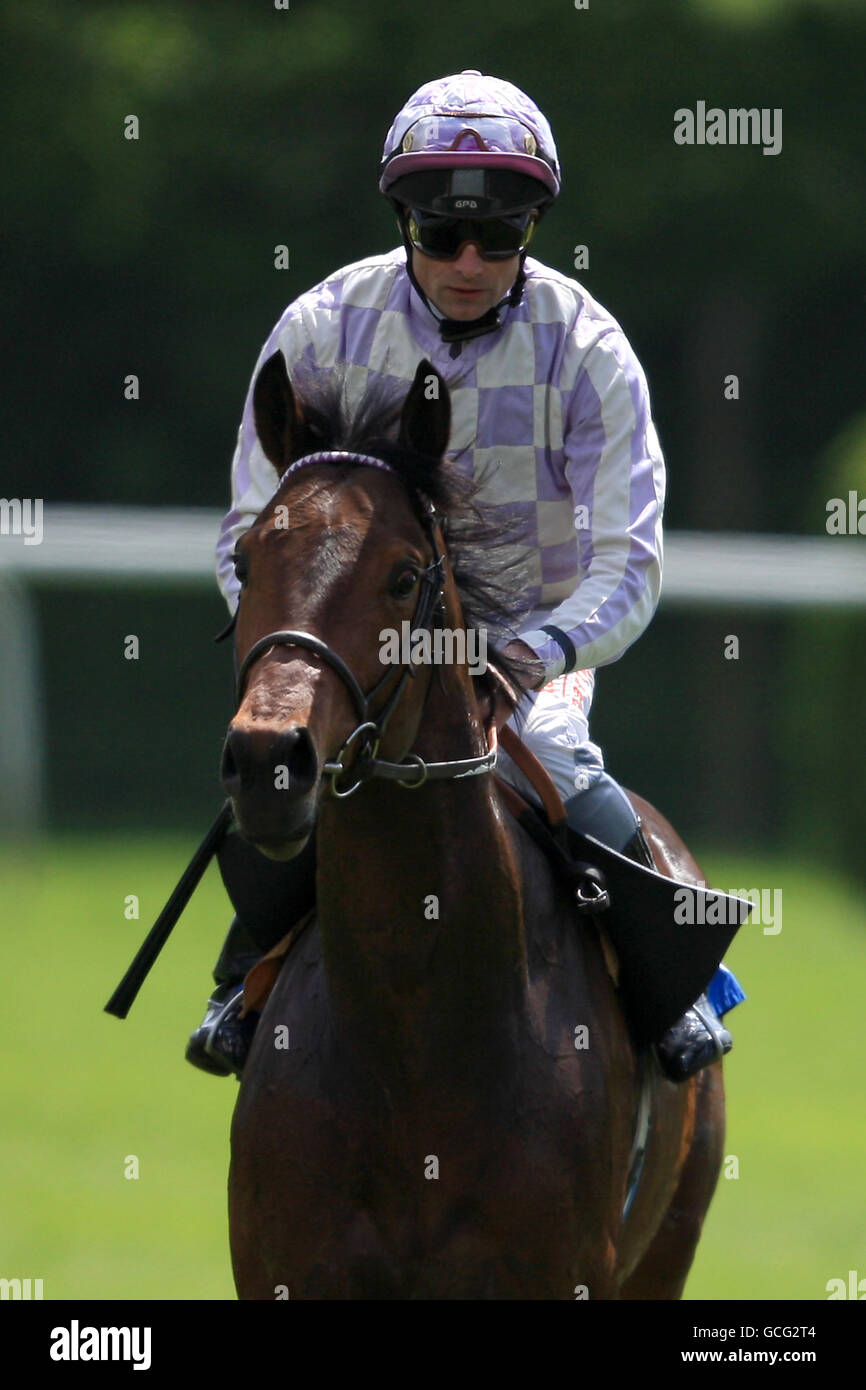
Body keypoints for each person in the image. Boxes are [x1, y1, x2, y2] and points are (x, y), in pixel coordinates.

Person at [187, 70, 744, 1082]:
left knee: (572, 781)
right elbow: (251, 529)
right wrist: (297, 664)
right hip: (367, 645)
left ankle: (678, 995)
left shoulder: (589, 351)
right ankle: (245, 978)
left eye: (501, 236)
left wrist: (527, 658)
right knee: (277, 779)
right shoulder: (319, 328)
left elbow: (627, 562)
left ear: (533, 227)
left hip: (527, 646)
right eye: (442, 236)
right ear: (404, 221)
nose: (470, 262)